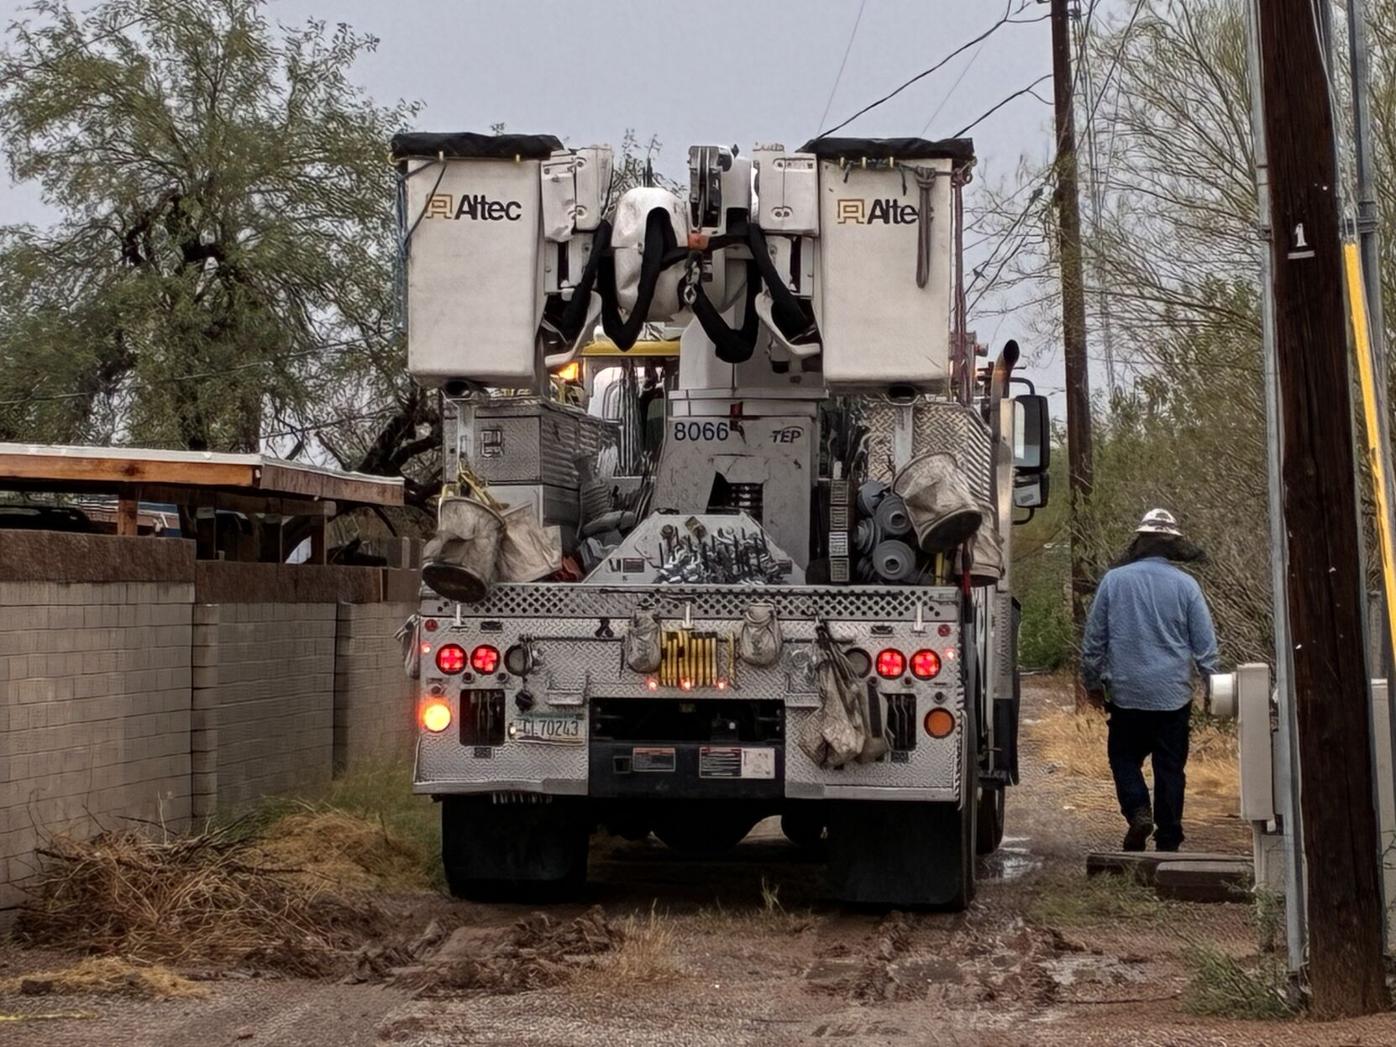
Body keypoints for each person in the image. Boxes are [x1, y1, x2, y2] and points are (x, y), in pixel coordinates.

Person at [1081, 508, 1219, 852]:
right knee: (1170, 768)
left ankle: (1138, 811)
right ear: (1173, 546)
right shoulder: (1187, 585)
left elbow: (1094, 641)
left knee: (1124, 758)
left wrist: (1092, 684)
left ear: (1139, 542)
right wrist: (1212, 686)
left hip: (1127, 693)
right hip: (1173, 695)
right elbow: (1205, 645)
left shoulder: (1113, 581)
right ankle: (1169, 839)